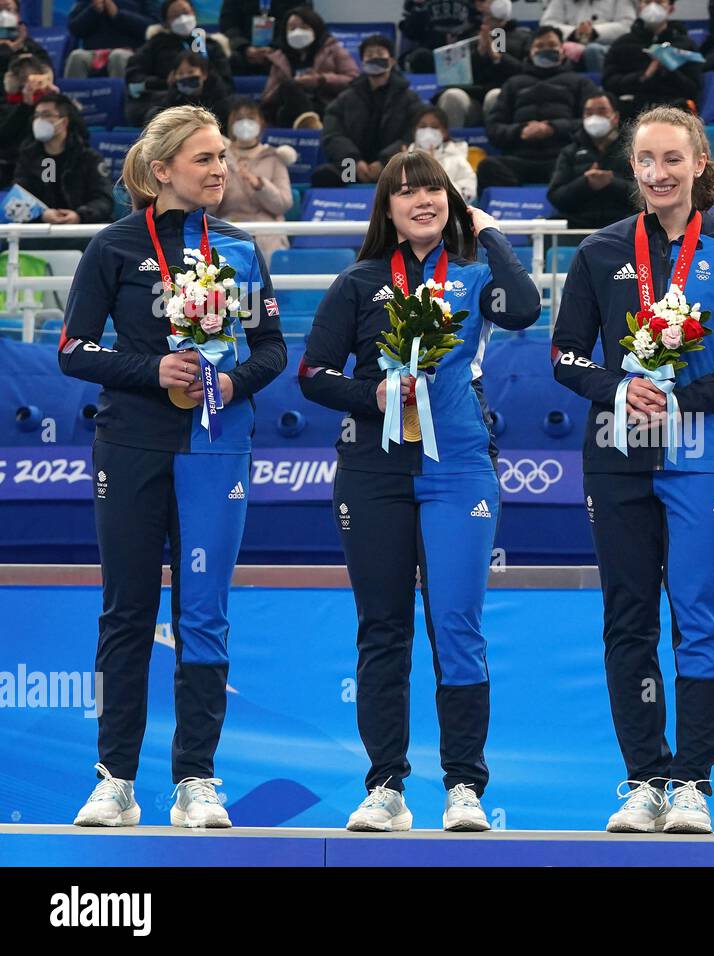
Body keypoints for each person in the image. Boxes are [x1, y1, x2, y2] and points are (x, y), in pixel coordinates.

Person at [298, 150, 541, 831]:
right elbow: (313, 373)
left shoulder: (473, 272)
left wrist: (487, 230)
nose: (419, 200)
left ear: (450, 198)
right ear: (388, 209)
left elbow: (523, 309)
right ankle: (386, 788)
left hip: (458, 466)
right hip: (373, 473)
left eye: (431, 188)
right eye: (404, 193)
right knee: (383, 629)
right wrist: (370, 394)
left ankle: (464, 786)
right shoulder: (359, 281)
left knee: (457, 627)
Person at [551, 106, 714, 834]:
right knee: (628, 618)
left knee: (700, 616)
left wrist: (684, 398)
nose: (658, 173)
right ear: (633, 168)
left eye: (672, 159)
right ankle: (645, 778)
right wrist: (617, 386)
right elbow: (565, 353)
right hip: (617, 455)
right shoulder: (599, 251)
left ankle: (693, 784)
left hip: (701, 456)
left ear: (699, 163)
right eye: (645, 160)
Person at [61, 105, 287, 829]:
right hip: (131, 444)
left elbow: (272, 349)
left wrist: (229, 383)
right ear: (161, 170)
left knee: (205, 615)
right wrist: (151, 368)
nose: (221, 169)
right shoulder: (114, 248)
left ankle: (196, 779)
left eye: (223, 157)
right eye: (205, 159)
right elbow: (73, 350)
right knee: (128, 612)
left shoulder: (243, 249)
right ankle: (115, 779)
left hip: (216, 446)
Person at [479, 26, 599, 188]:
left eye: (551, 45)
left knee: (587, 167)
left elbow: (594, 122)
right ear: (530, 52)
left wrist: (553, 128)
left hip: (563, 157)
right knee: (488, 167)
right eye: (540, 46)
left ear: (562, 50)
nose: (546, 50)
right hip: (520, 158)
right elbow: (494, 128)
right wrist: (520, 131)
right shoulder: (513, 84)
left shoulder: (580, 83)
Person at [314, 35, 424, 187]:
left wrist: (384, 162)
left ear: (392, 61)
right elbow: (332, 135)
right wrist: (355, 161)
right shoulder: (345, 98)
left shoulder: (410, 99)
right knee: (324, 175)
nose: (374, 58)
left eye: (380, 54)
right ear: (362, 62)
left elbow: (413, 135)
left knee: (411, 177)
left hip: (393, 166)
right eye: (369, 55)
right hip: (352, 166)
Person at [14, 93, 114, 235]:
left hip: (82, 232)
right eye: (36, 116)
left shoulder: (89, 158)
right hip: (39, 233)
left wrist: (79, 215)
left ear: (64, 122)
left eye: (46, 115)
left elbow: (104, 199)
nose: (39, 121)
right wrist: (42, 214)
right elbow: (20, 196)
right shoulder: (28, 158)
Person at [426, 0, 531, 129]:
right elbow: (455, 76)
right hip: (472, 98)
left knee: (495, 96)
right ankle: (452, 147)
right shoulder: (467, 36)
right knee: (452, 96)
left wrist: (498, 58)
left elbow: (526, 72)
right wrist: (479, 53)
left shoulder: (524, 37)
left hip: (506, 98)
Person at [125, 0, 234, 126]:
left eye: (185, 12)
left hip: (210, 102)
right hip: (169, 102)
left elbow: (227, 83)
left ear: (194, 14)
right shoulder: (154, 45)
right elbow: (134, 76)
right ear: (166, 23)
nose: (182, 18)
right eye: (175, 15)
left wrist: (205, 82)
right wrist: (164, 83)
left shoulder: (211, 45)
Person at [256, 5, 358, 129]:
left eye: (303, 27)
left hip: (325, 106)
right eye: (292, 28)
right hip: (289, 111)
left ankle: (311, 124)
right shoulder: (280, 58)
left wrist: (321, 80)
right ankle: (309, 125)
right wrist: (289, 86)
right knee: (289, 87)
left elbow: (354, 79)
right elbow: (267, 98)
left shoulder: (333, 49)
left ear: (315, 28)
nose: (297, 32)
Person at [215, 98, 295, 256]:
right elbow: (207, 208)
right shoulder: (218, 157)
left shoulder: (274, 157)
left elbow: (283, 204)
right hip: (228, 231)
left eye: (251, 118)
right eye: (239, 119)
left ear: (261, 123)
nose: (245, 123)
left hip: (267, 236)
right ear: (230, 124)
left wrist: (260, 185)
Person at [546, 90, 635, 230]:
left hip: (622, 224)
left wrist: (612, 182)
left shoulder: (633, 150)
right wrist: (585, 183)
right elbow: (556, 197)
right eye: (589, 113)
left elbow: (646, 194)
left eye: (602, 111)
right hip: (579, 223)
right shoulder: (570, 152)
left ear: (616, 117)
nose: (594, 118)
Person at [602, 0, 702, 116]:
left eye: (659, 2)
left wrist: (669, 69)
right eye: (647, 2)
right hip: (632, 110)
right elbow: (609, 84)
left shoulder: (686, 45)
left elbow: (694, 89)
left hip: (674, 110)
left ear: (671, 9)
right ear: (640, 7)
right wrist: (643, 76)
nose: (653, 7)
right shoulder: (622, 44)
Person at [0, 53, 56, 186]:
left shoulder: (55, 102)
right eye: (24, 78)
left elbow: (80, 133)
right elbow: (3, 137)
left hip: (46, 162)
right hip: (9, 165)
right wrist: (25, 106)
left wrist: (56, 103)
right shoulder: (5, 105)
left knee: (51, 172)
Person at [66, 0, 155, 78]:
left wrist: (118, 15)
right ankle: (70, 97)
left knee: (117, 56)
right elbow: (75, 29)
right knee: (76, 56)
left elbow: (152, 27)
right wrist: (92, 10)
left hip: (131, 51)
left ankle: (122, 97)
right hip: (94, 54)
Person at [539, 0, 637, 71]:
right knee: (559, 51)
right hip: (571, 44)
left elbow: (627, 26)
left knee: (592, 50)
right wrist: (574, 32)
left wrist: (594, 32)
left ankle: (601, 90)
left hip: (608, 46)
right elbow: (547, 24)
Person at [408, 105, 477, 204]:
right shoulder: (403, 160)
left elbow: (468, 193)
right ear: (415, 131)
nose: (428, 132)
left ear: (444, 132)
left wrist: (435, 176)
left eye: (434, 127)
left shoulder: (457, 159)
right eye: (423, 126)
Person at [147, 50, 233, 128]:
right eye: (180, 73)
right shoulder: (172, 98)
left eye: (191, 72)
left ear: (204, 74)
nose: (185, 77)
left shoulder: (218, 95)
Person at [220, 0, 300, 75]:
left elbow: (301, 23)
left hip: (283, 50)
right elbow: (229, 25)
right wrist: (245, 47)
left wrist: (274, 47)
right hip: (242, 52)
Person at [0, 0, 52, 76]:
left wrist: (19, 49)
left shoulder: (28, 46)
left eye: (8, 10)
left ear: (18, 17)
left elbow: (47, 73)